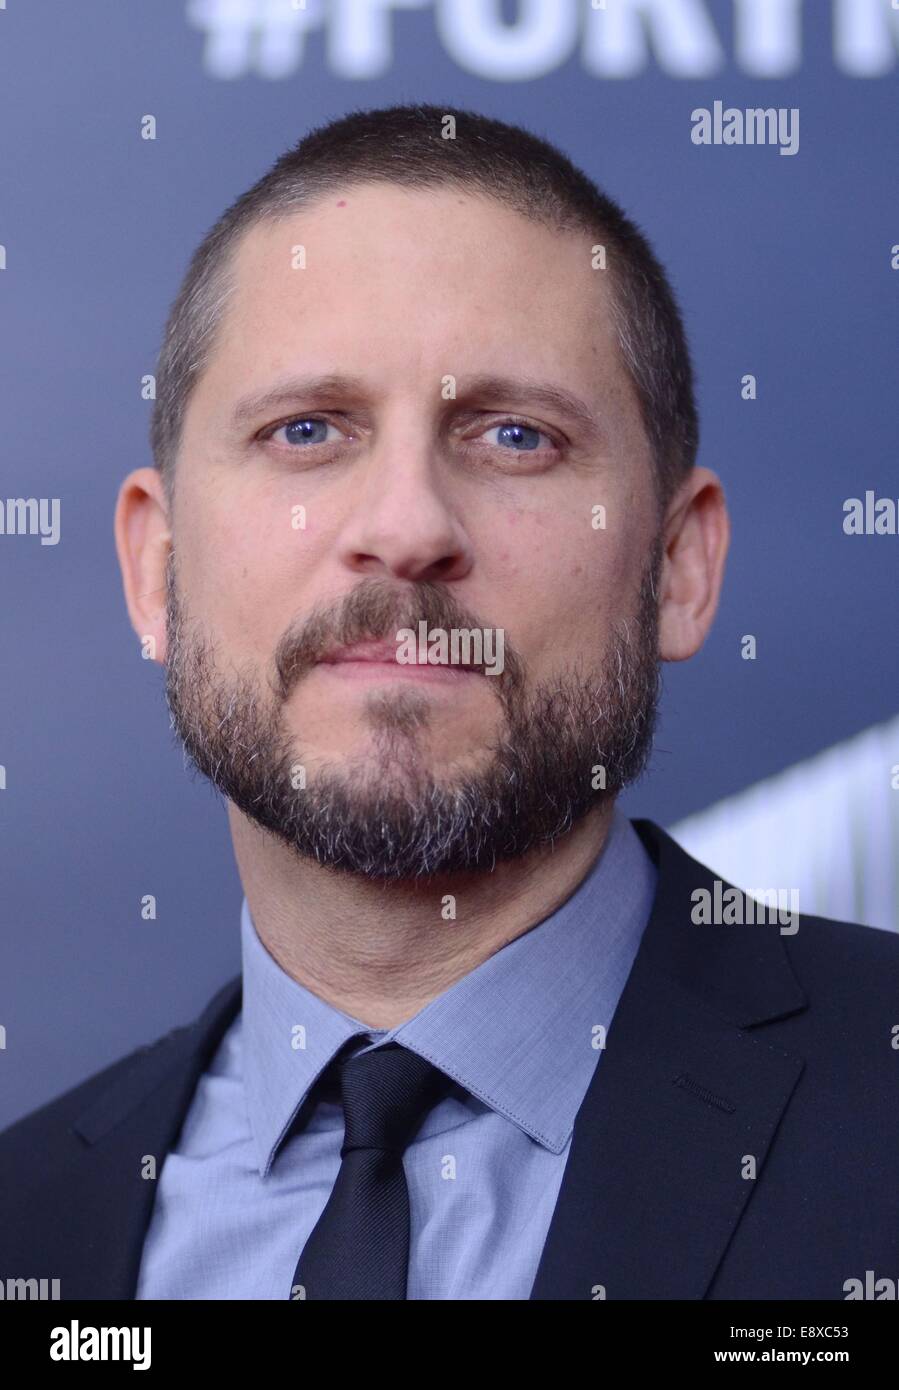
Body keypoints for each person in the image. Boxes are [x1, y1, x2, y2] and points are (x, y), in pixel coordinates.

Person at [2, 104, 896, 1302]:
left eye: (515, 436)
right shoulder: (26, 1227)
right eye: (306, 430)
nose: (407, 528)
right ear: (154, 567)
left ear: (677, 567)